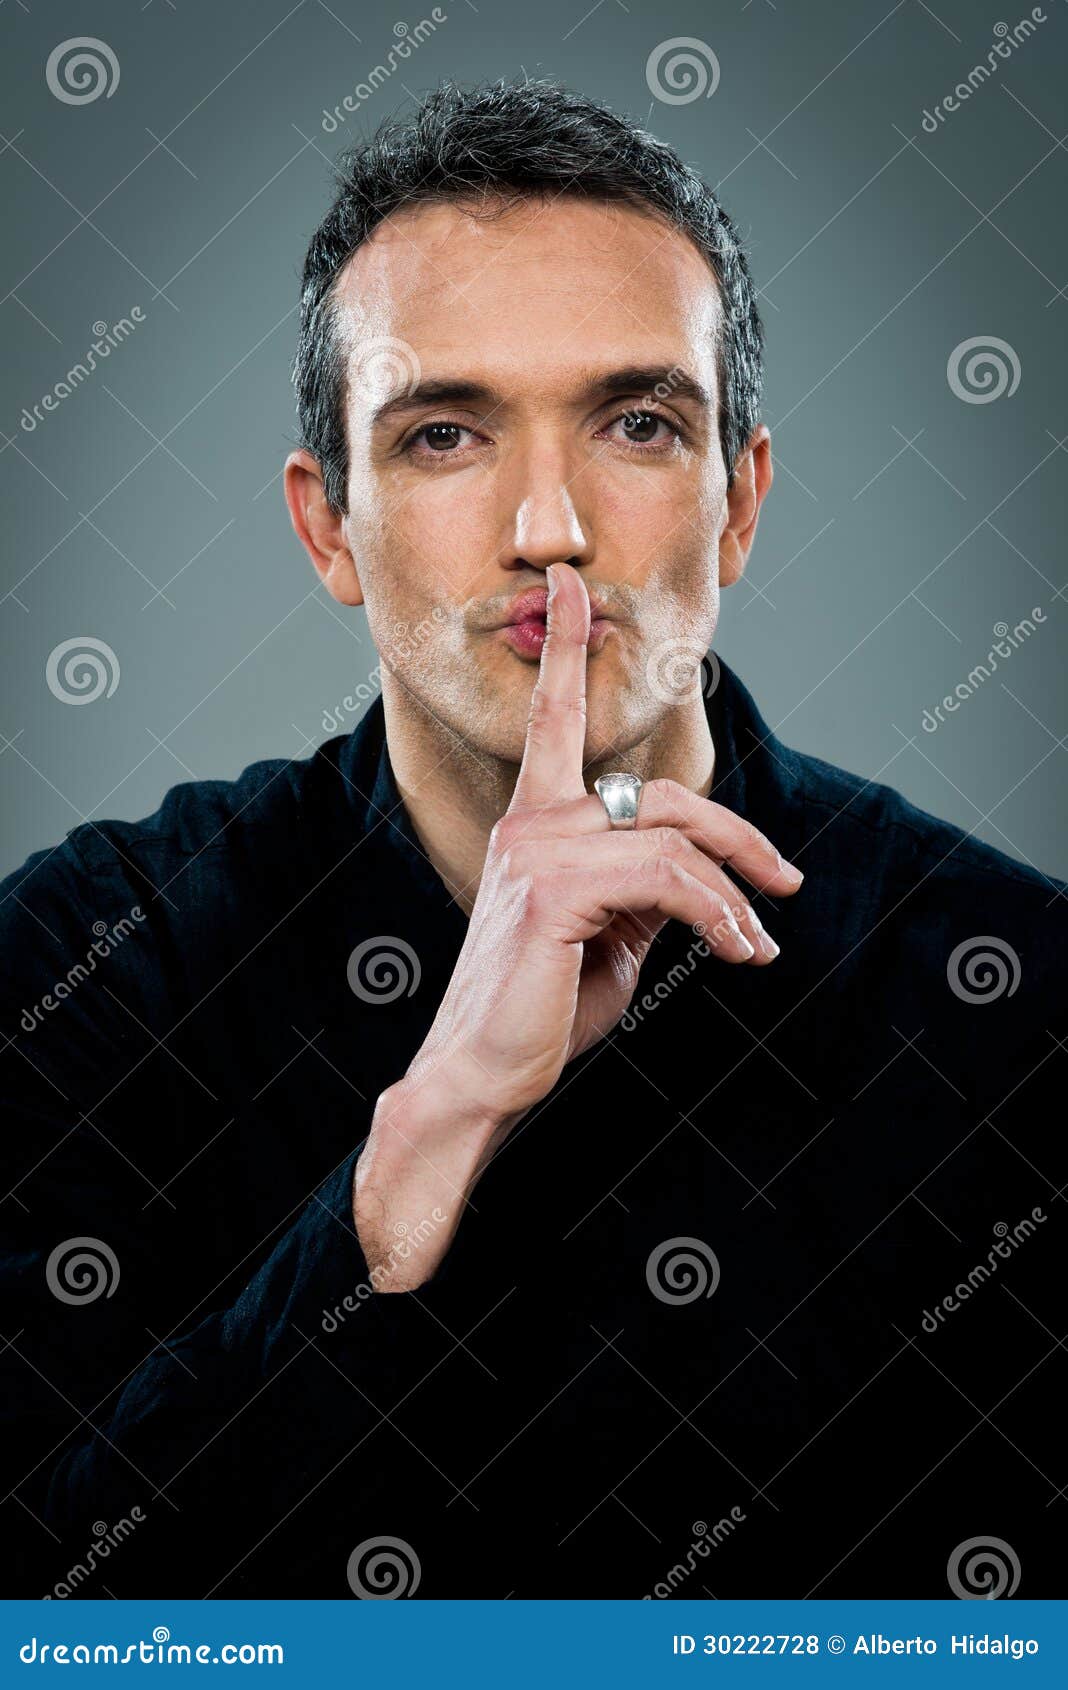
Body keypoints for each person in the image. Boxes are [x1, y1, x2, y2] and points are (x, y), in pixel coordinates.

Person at [2, 82, 1063, 1601]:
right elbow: (47, 1618)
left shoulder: (1012, 992)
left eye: (638, 424)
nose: (548, 526)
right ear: (330, 528)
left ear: (741, 504)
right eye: (444, 433)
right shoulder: (90, 960)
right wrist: (416, 1148)